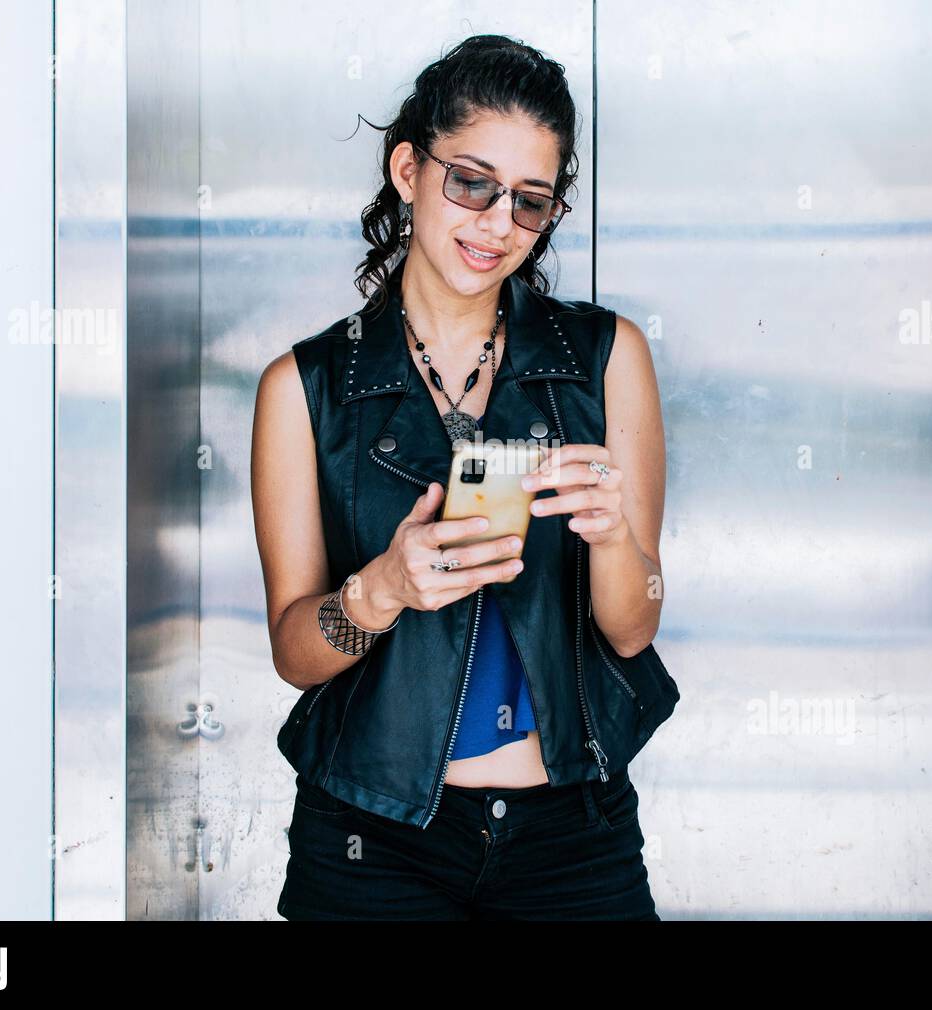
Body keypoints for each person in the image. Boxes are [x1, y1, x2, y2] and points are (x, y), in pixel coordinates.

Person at [251, 34, 678, 920]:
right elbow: (297, 653)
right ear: (408, 169)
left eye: (530, 202)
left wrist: (614, 538)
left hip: (574, 834)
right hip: (372, 838)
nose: (495, 224)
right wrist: (382, 589)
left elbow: (632, 631)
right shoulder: (306, 389)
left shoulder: (606, 360)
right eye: (471, 183)